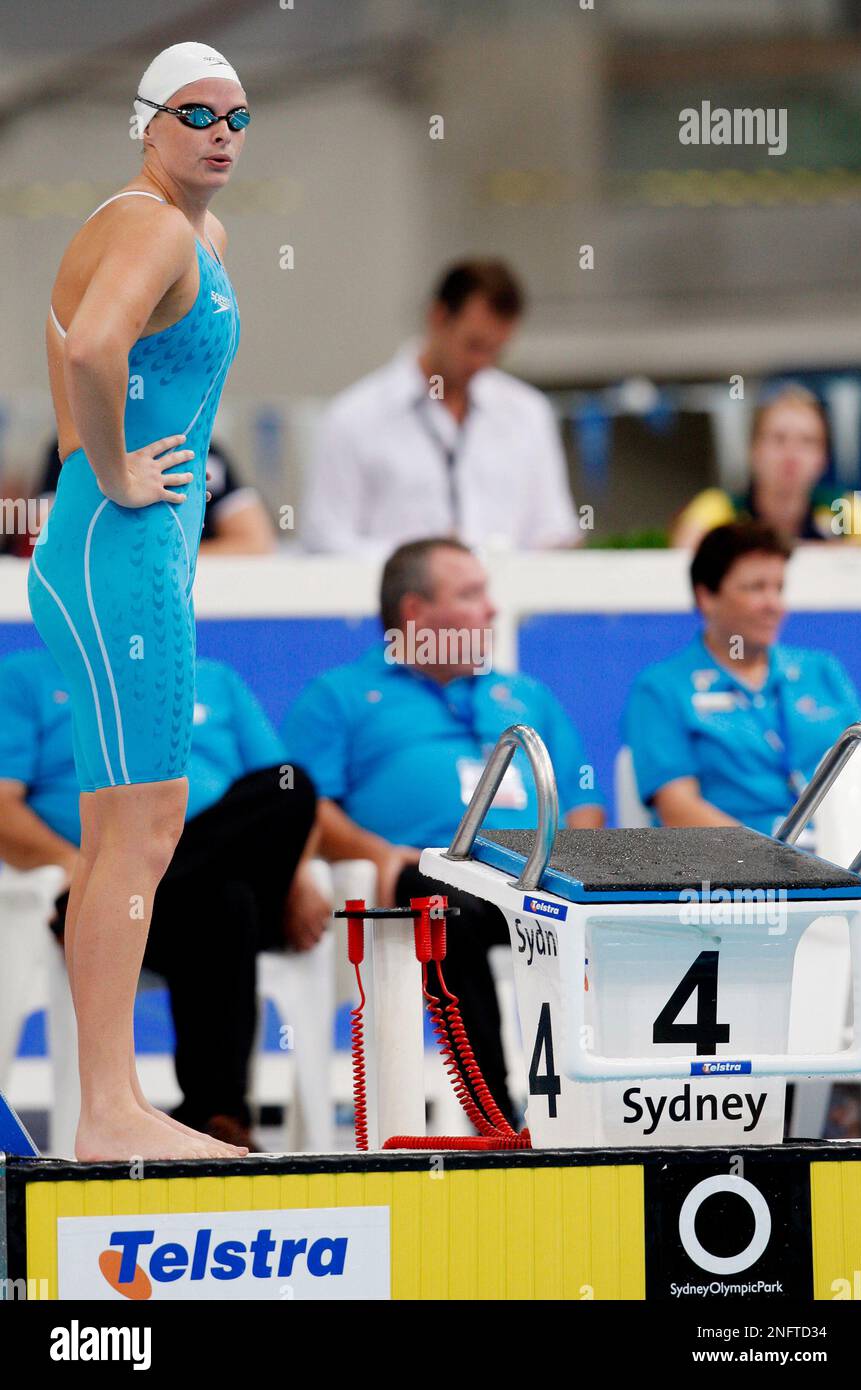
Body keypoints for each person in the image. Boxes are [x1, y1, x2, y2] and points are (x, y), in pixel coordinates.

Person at [26, 41, 251, 1160]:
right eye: (197, 112)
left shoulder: (179, 229)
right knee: (148, 825)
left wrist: (86, 472)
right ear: (147, 121)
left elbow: (63, 335)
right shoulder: (155, 224)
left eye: (239, 117)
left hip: (109, 554)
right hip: (120, 556)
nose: (220, 132)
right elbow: (98, 344)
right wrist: (111, 476)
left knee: (118, 828)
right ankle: (111, 1106)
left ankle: (108, 1099)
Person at [282, 537, 604, 1122]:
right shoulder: (340, 697)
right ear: (415, 613)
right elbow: (306, 809)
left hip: (538, 879)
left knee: (619, 911)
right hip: (426, 875)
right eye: (471, 594)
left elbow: (582, 803)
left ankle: (604, 1108)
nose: (492, 609)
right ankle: (494, 1117)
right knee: (445, 903)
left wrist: (576, 864)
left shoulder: (525, 694)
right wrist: (379, 853)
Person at [0, 649, 326, 1150]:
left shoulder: (213, 678)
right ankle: (217, 1112)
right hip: (117, 879)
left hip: (186, 881)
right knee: (226, 901)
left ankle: (211, 1113)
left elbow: (278, 782)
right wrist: (77, 868)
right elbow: (2, 806)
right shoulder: (26, 678)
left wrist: (298, 874)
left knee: (290, 789)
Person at [301, 261, 581, 558]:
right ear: (438, 317)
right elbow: (324, 541)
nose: (482, 363)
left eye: (496, 351)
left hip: (508, 600)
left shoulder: (528, 412)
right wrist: (421, 563)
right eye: (473, 345)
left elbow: (554, 528)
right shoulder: (354, 418)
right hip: (399, 601)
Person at [623, 522, 861, 834]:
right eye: (755, 588)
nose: (774, 605)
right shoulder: (660, 689)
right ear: (706, 597)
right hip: (735, 875)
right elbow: (678, 809)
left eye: (778, 588)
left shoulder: (822, 670)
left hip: (849, 861)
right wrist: (779, 860)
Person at [7, 436, 276, 559]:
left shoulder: (198, 451)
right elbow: (48, 539)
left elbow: (256, 541)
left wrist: (163, 562)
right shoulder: (72, 453)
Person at [670, 386, 840, 549]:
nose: (792, 454)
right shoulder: (721, 507)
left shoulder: (843, 509)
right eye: (778, 438)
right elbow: (687, 549)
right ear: (754, 450)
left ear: (824, 457)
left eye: (807, 441)